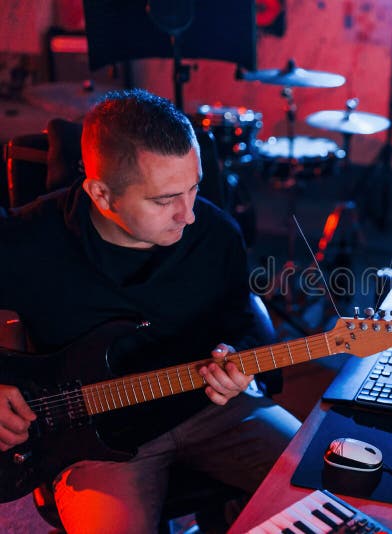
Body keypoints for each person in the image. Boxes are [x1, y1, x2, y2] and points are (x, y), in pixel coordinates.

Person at [0, 89, 300, 532]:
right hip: (92, 442)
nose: (189, 214)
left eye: (193, 187)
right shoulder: (28, 242)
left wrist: (239, 359)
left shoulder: (216, 234)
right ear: (102, 193)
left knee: (330, 483)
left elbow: (243, 320)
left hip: (209, 409)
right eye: (164, 200)